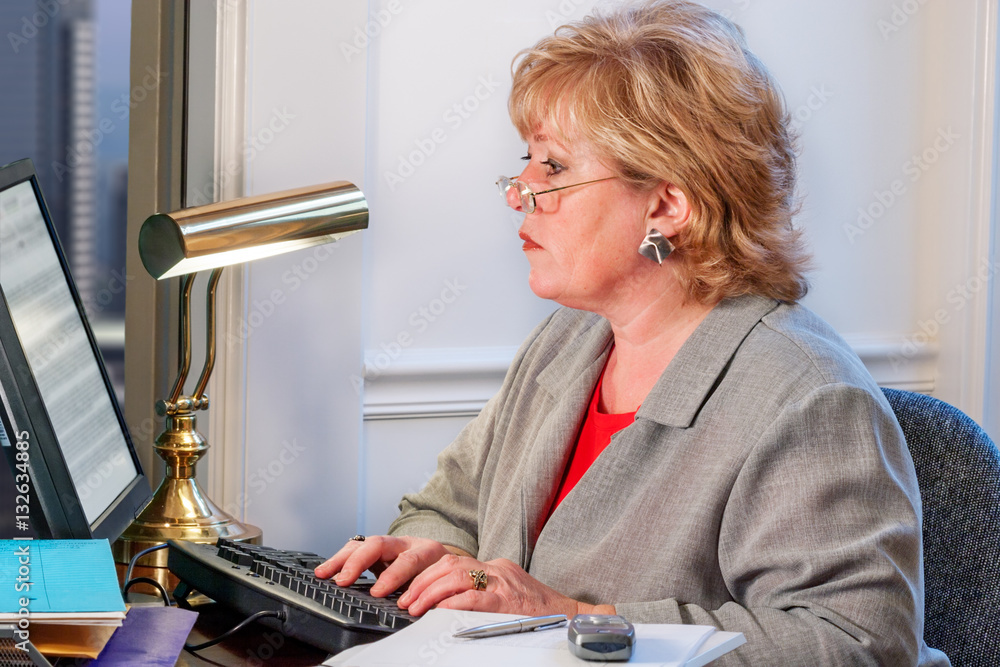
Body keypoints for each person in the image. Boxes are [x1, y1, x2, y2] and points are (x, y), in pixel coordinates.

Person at [316, 2, 950, 664]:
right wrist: (435, 559)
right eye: (525, 160)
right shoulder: (565, 344)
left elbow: (859, 644)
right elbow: (443, 512)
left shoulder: (809, 396)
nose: (517, 192)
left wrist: (578, 617)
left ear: (666, 207)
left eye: (554, 168)